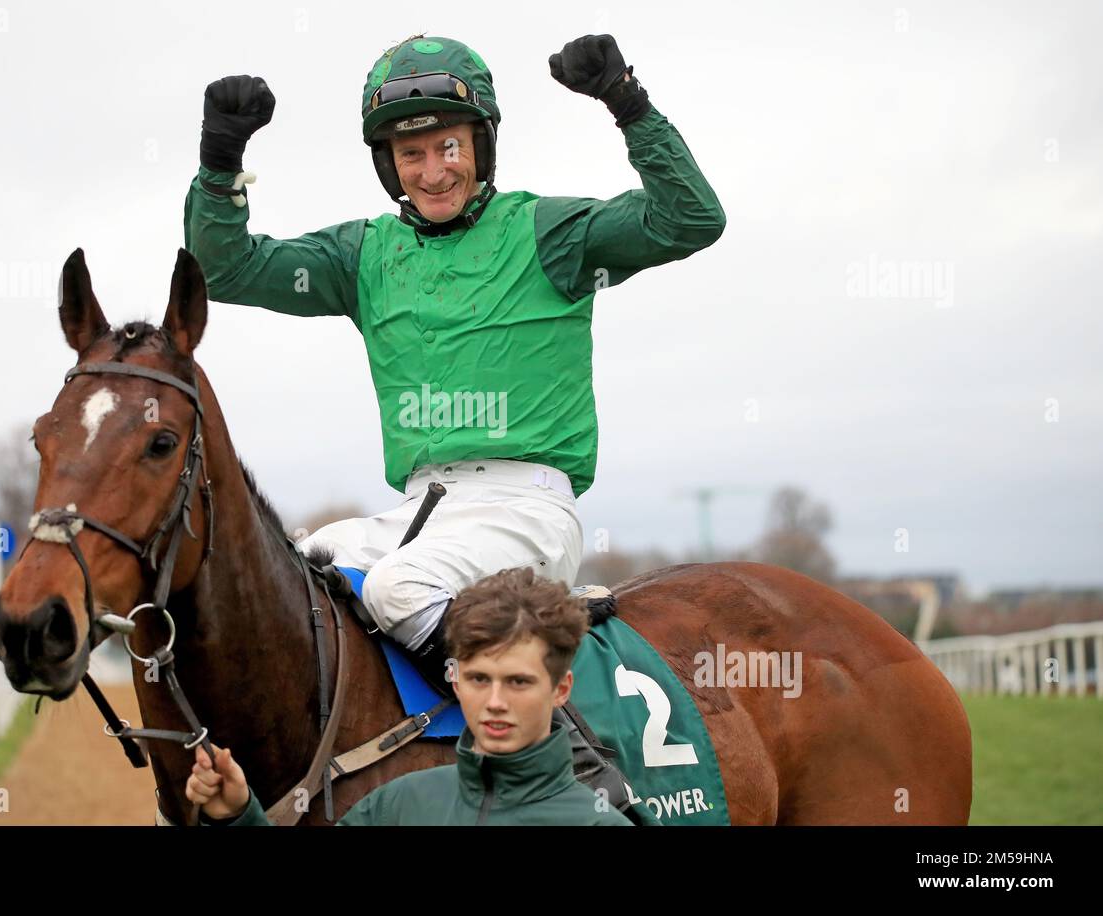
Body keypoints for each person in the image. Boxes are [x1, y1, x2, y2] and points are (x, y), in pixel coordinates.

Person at [184, 33, 725, 684]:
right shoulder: (362, 255)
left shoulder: (552, 234)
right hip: (421, 512)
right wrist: (221, 160)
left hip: (526, 512)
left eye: (449, 147)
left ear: (481, 146)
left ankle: (551, 738)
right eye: (412, 153)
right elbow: (226, 269)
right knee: (287, 573)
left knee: (396, 591)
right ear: (389, 164)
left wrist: (625, 100)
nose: (433, 171)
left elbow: (690, 219)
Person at [186, 567, 633, 826]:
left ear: (560, 690)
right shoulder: (396, 806)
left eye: (518, 682)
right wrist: (237, 816)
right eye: (479, 679)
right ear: (455, 682)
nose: (495, 701)